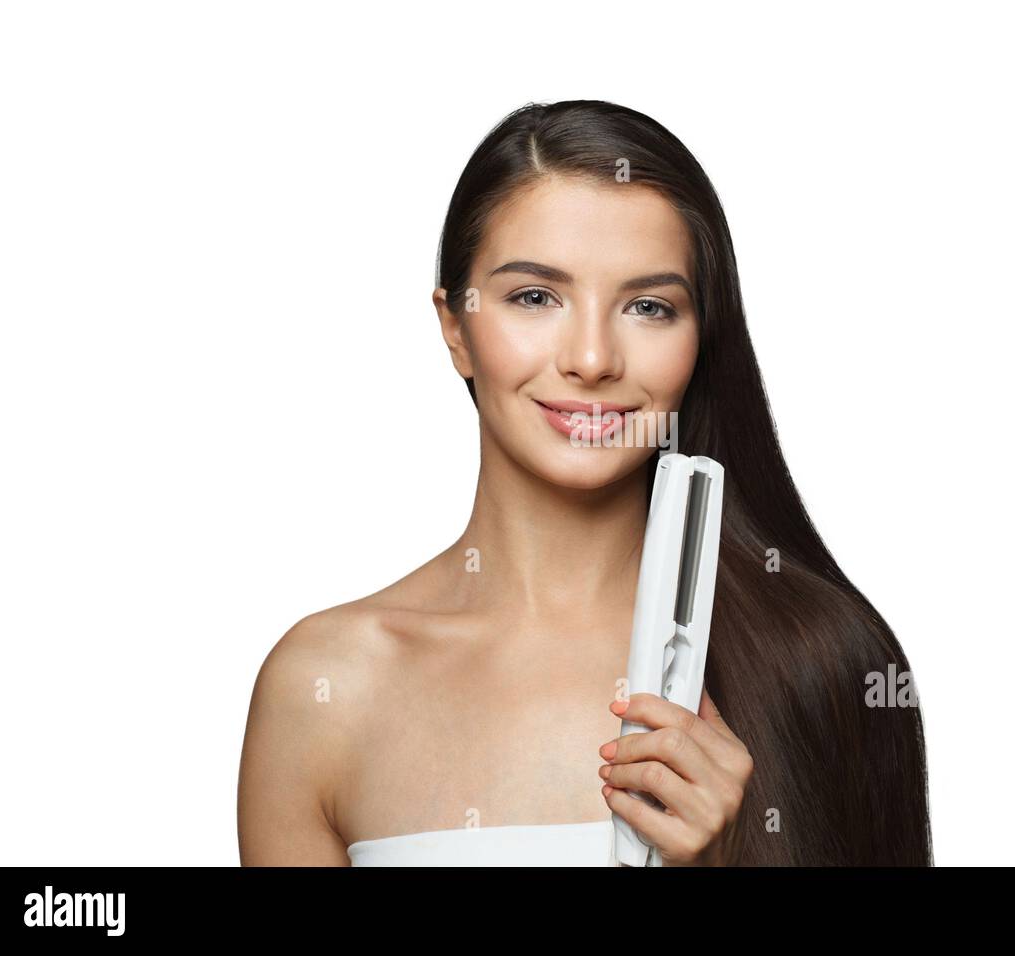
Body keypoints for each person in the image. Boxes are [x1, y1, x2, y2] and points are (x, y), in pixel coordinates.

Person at [237, 100, 932, 866]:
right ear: (455, 328)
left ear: (702, 337)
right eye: (535, 297)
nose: (593, 358)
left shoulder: (824, 661)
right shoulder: (323, 689)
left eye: (647, 307)